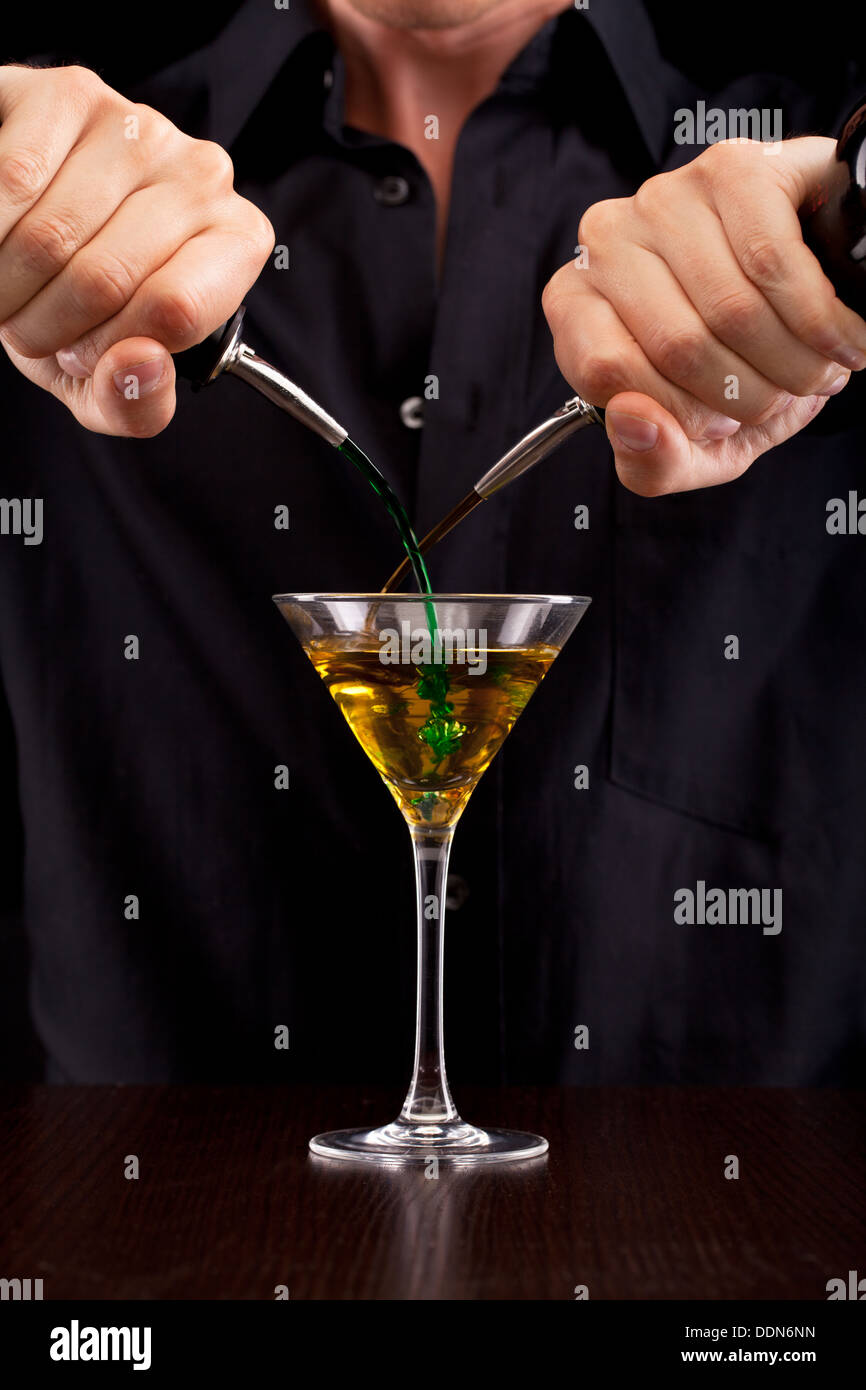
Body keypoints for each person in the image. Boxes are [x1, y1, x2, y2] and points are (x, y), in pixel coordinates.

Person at [0, 0, 863, 1085]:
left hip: (741, 1229)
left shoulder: (812, 173)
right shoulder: (67, 180)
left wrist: (842, 255)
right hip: (139, 1231)